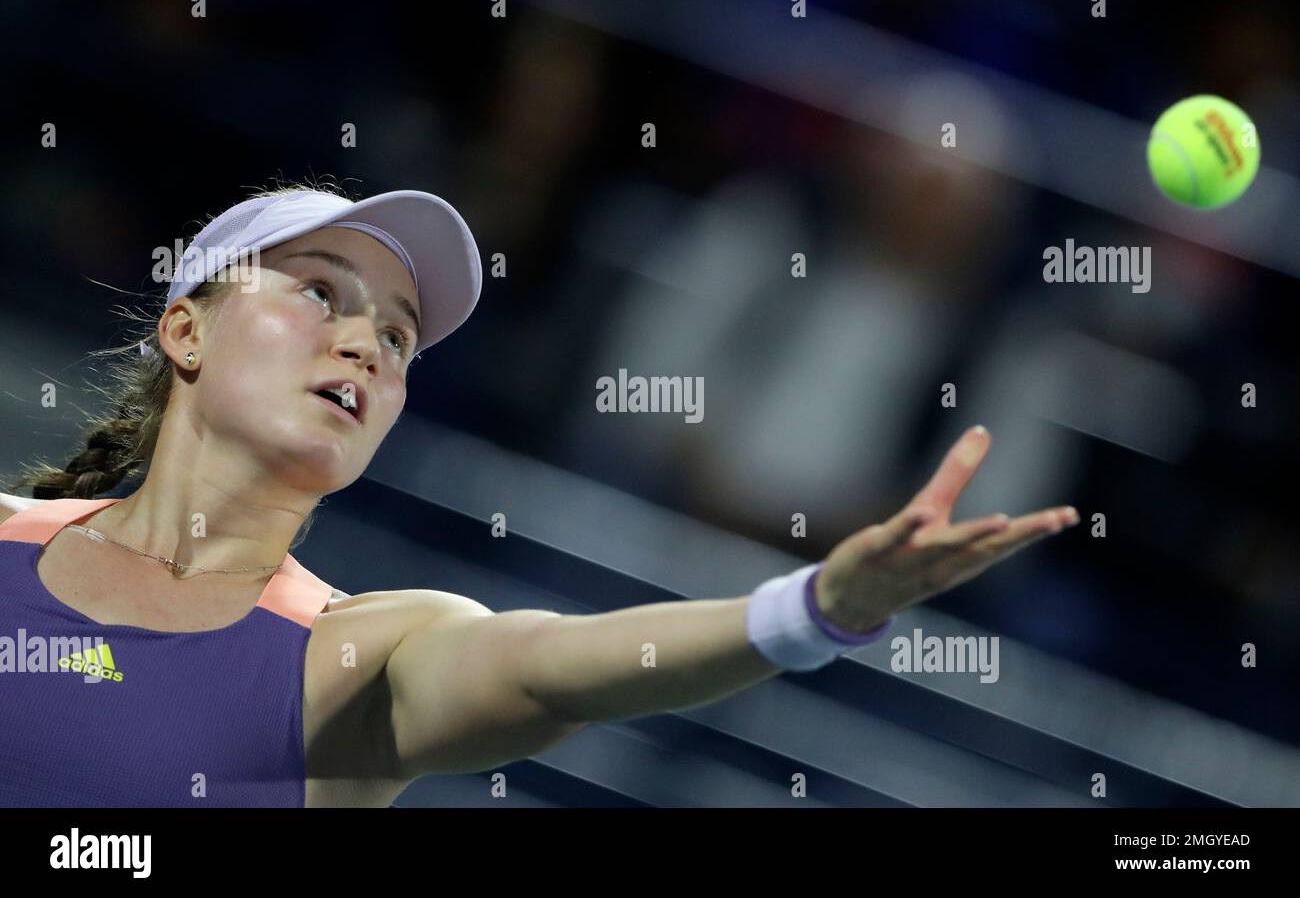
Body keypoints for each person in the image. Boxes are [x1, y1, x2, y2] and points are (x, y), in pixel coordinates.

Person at [0, 183, 1078, 808]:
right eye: (320, 291)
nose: (364, 342)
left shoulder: (359, 656)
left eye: (396, 334)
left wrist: (813, 611)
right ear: (185, 328)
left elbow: (559, 673)